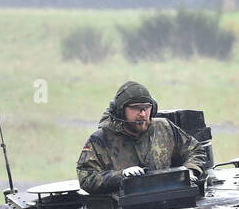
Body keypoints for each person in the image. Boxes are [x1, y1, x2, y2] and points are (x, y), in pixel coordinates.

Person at [77, 81, 206, 194]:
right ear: (120, 111)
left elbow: (195, 150)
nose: (143, 114)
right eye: (136, 108)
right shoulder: (101, 140)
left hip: (166, 200)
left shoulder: (164, 128)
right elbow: (86, 178)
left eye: (146, 107)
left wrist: (190, 171)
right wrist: (120, 176)